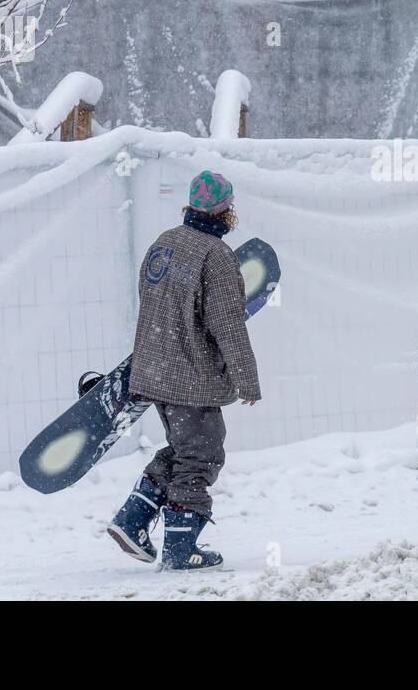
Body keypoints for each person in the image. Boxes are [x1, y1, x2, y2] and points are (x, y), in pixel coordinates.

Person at [106, 170, 261, 570]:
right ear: (226, 211)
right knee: (202, 455)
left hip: (152, 371)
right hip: (190, 378)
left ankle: (133, 519)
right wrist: (247, 379)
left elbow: (152, 301)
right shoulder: (216, 256)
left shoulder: (164, 244)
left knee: (184, 449)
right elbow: (227, 323)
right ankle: (179, 546)